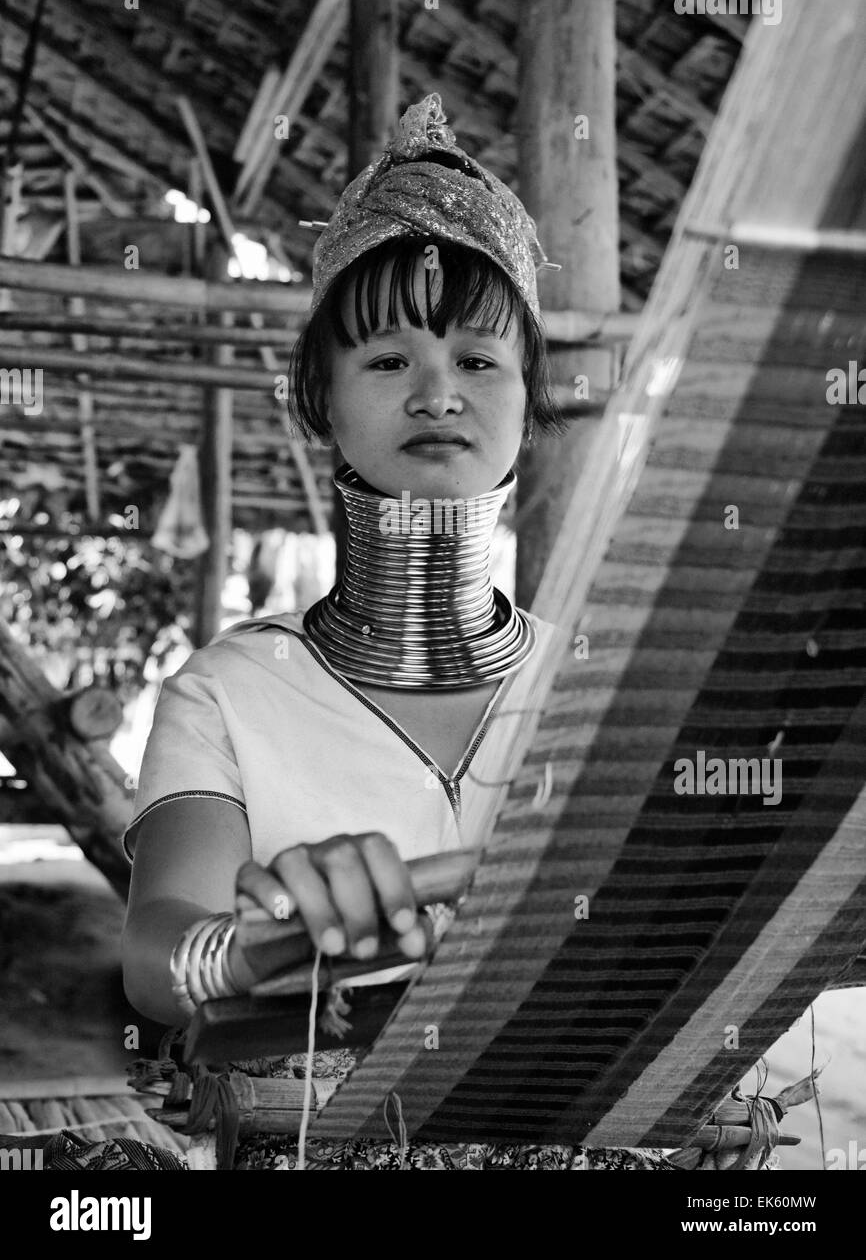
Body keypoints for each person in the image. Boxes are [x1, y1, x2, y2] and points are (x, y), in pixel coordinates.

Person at [48, 94, 673, 1170]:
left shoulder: (604, 684)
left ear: (529, 403)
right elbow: (159, 955)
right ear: (320, 399)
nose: (438, 394)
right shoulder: (229, 691)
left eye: (480, 362)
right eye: (387, 361)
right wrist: (266, 943)